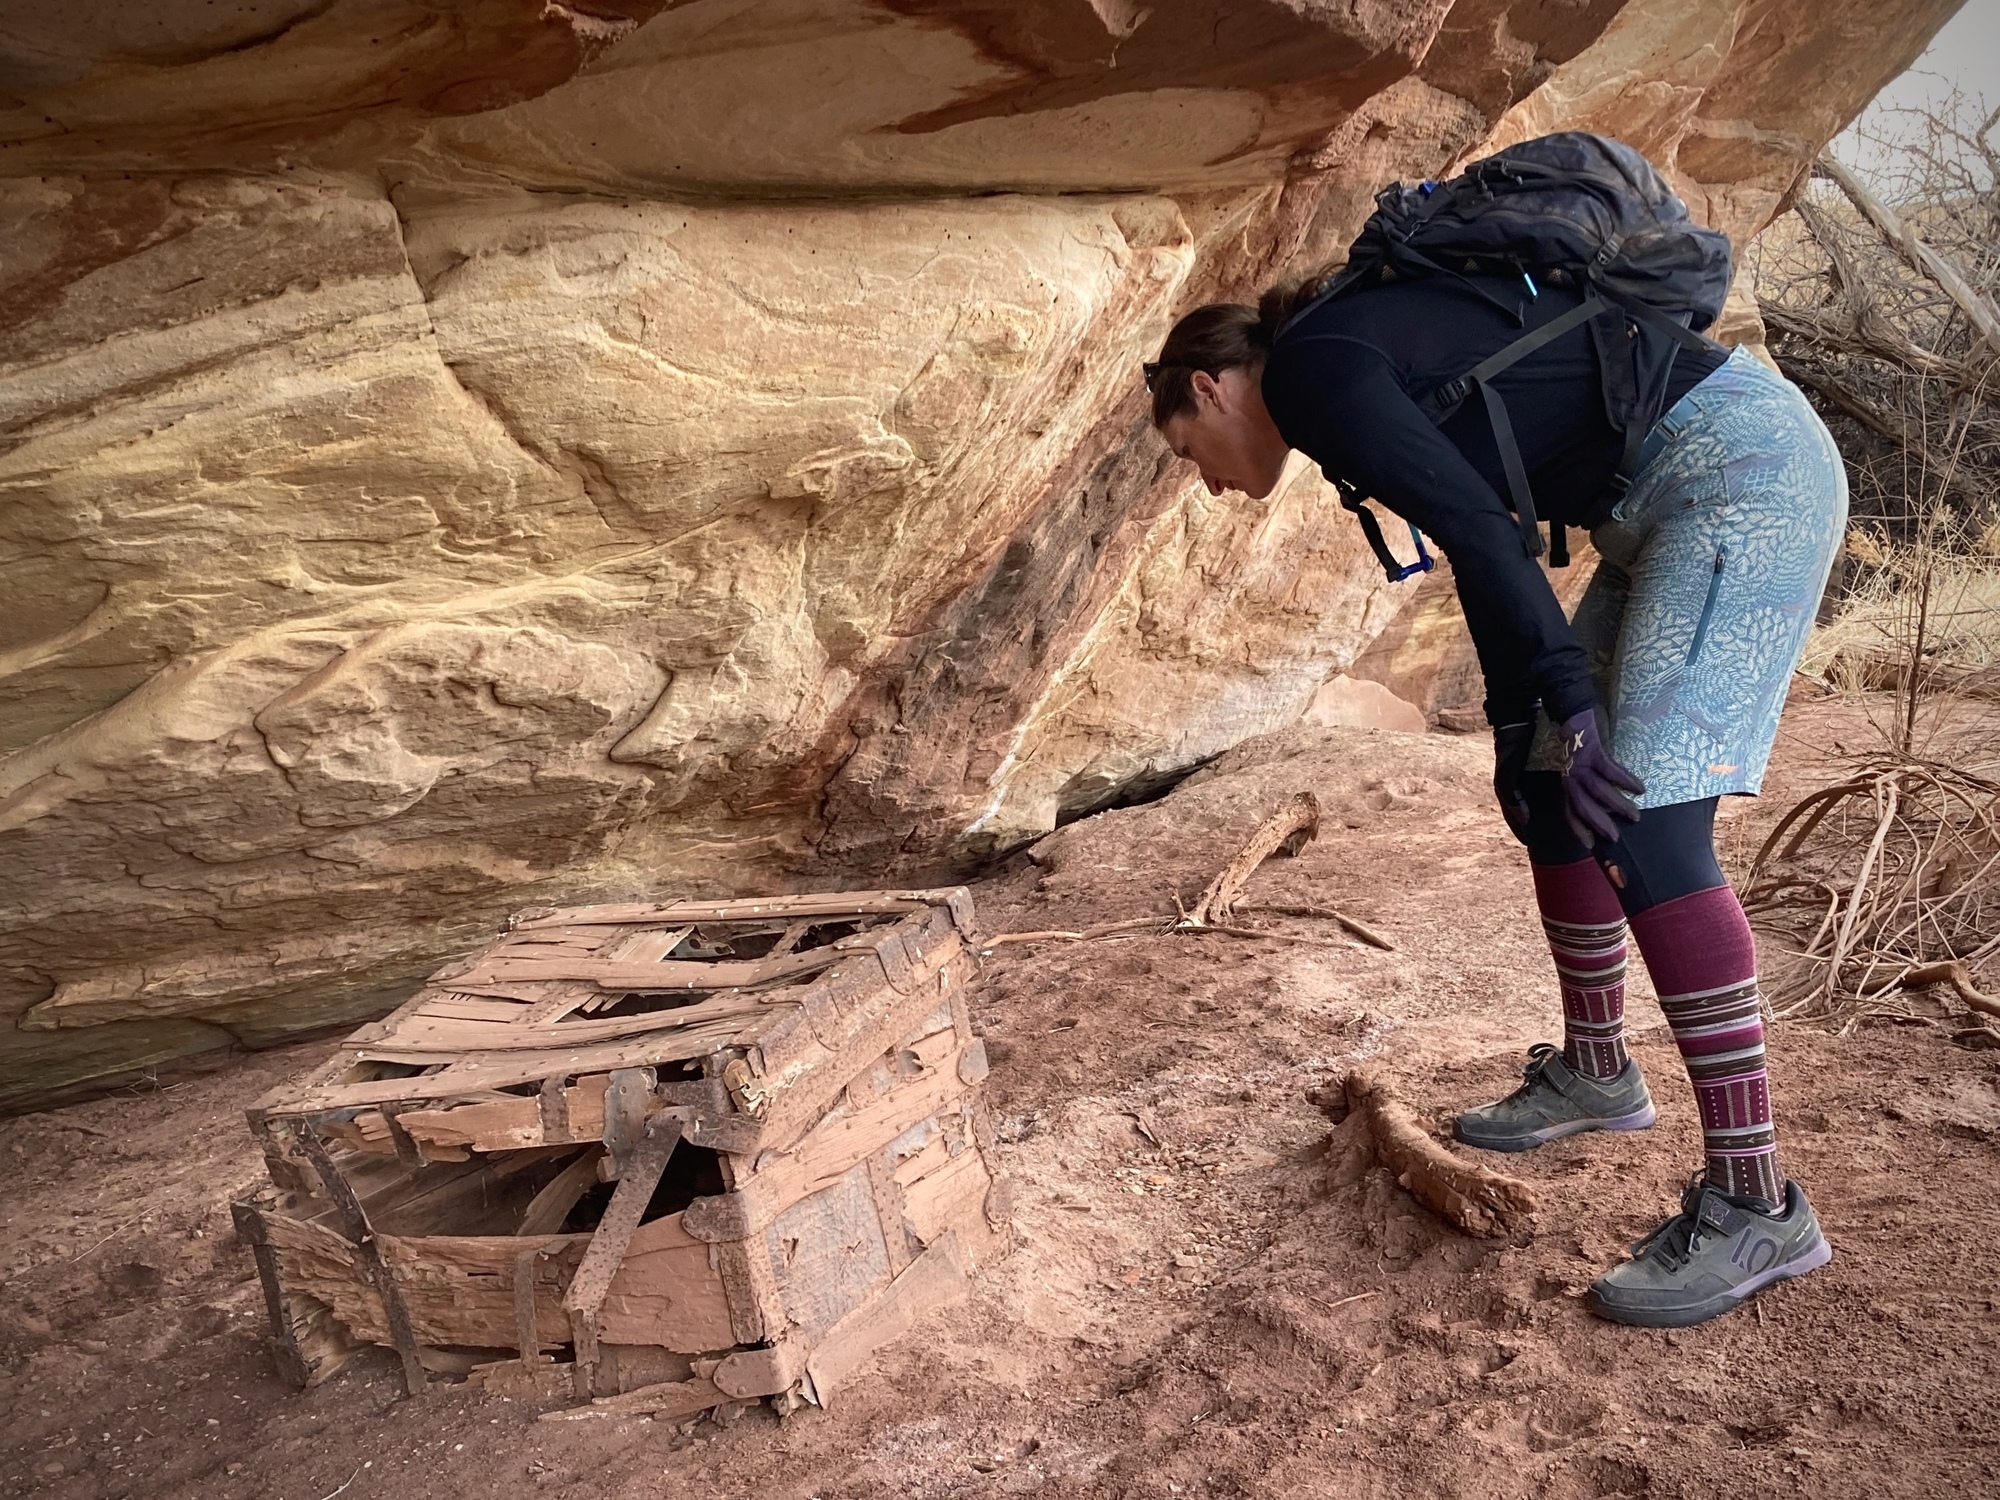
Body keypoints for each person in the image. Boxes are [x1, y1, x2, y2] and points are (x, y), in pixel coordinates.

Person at [1144, 260, 1846, 1327]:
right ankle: (1598, 1071)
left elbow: (1477, 532)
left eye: (1186, 454)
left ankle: (1755, 1200)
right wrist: (1529, 724)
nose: (1205, 480)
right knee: (1554, 784)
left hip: (1741, 475)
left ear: (1206, 389)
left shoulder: (1318, 372)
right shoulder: (1334, 368)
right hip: (1664, 496)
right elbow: (1483, 540)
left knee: (1647, 827)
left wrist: (1563, 695)